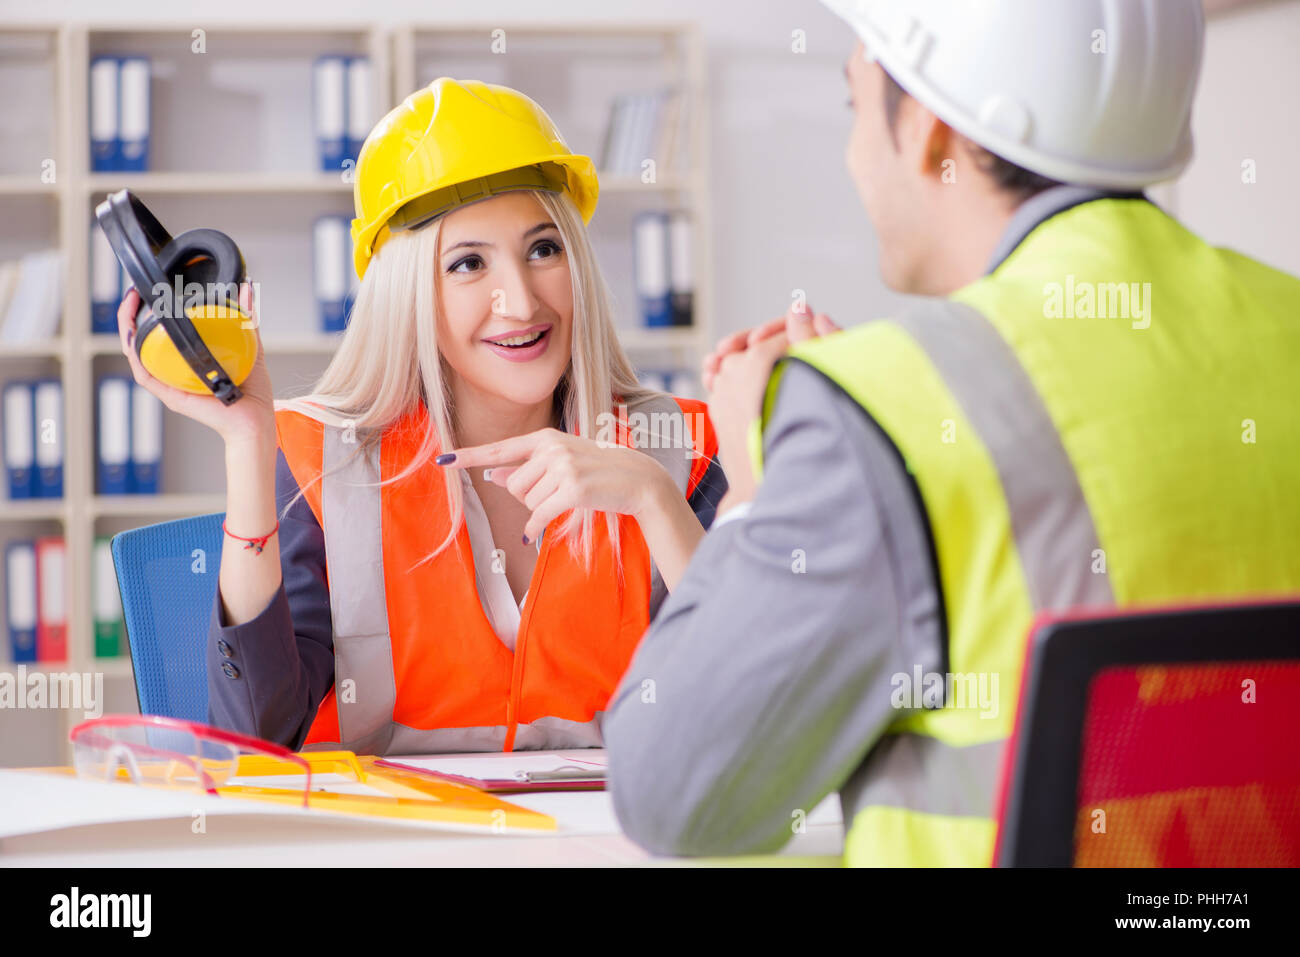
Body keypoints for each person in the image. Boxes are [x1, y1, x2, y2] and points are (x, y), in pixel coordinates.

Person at [604, 0, 1300, 865]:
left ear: (931, 138)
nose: (854, 153)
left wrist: (764, 484)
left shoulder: (878, 409)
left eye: (856, 108)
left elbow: (674, 791)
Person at [116, 78, 726, 755]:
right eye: (468, 264)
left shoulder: (678, 453)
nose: (521, 302)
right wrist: (250, 443)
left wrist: (651, 496)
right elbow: (253, 738)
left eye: (543, 249)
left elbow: (753, 720)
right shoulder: (328, 462)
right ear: (410, 295)